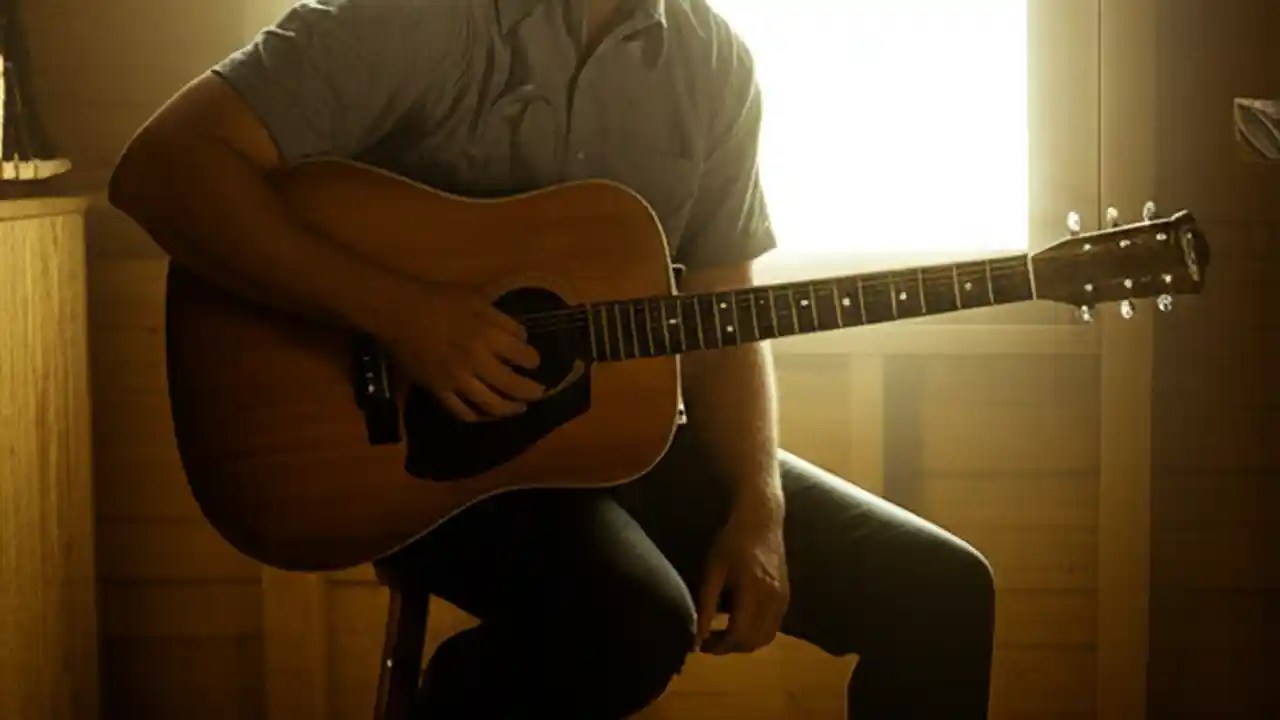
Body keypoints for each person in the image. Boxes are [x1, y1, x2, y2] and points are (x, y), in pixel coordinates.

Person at [108, 1, 996, 717]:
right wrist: (404, 315)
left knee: (939, 592)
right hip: (416, 458)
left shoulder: (715, 63)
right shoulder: (415, 20)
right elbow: (162, 168)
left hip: (625, 436)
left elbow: (722, 315)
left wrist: (759, 509)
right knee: (631, 621)